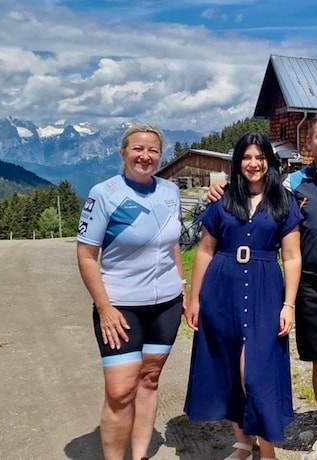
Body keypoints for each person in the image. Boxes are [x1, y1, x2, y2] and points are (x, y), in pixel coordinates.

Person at [208, 112, 317, 460]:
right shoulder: (292, 185)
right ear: (310, 143)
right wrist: (221, 190)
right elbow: (255, 205)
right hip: (311, 286)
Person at [184, 133, 303, 460]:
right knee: (230, 371)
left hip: (266, 290)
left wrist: (288, 305)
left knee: (257, 373)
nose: (254, 164)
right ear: (237, 162)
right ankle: (242, 444)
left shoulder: (284, 201)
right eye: (247, 157)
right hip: (222, 288)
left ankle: (268, 451)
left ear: (269, 161)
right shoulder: (221, 200)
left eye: (260, 157)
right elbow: (205, 252)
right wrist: (194, 299)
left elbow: (292, 257)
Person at [76, 124, 185, 460]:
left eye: (153, 150)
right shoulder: (104, 193)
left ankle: (139, 455)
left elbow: (174, 245)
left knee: (149, 380)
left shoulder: (170, 191)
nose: (145, 156)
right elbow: (86, 255)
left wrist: (180, 285)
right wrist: (105, 308)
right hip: (120, 306)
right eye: (137, 149)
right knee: (121, 390)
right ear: (123, 153)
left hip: (166, 304)